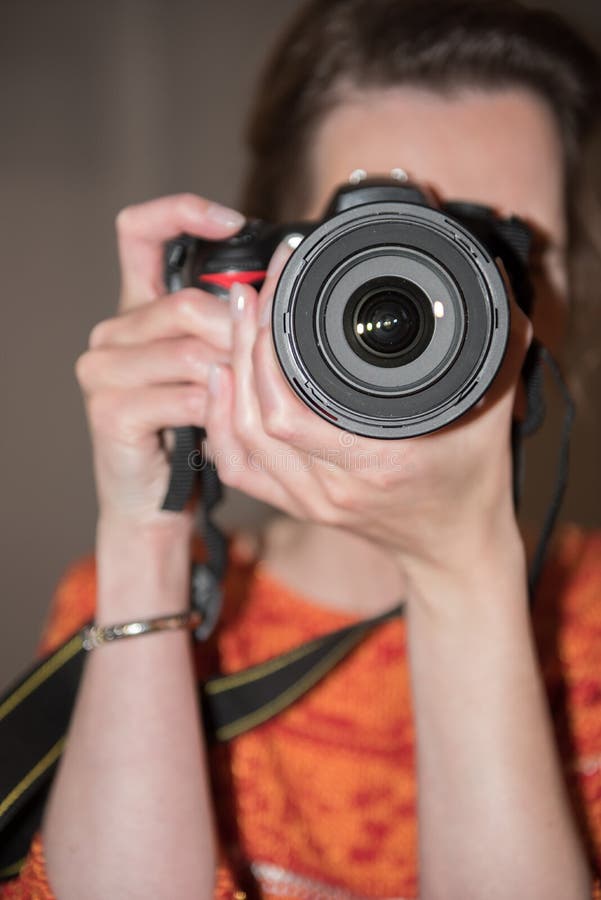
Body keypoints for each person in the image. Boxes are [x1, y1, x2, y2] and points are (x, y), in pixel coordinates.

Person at [2, 0, 600, 897]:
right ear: (272, 285)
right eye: (380, 247)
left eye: (494, 250)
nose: (443, 292)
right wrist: (149, 533)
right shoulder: (126, 602)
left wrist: (464, 570)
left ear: (563, 292)